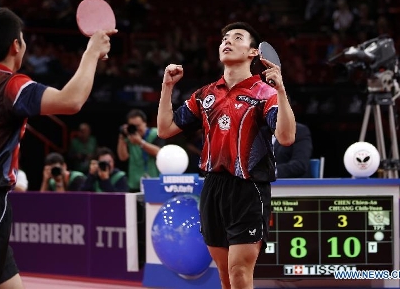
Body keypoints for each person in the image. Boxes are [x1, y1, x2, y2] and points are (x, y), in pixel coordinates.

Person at [0, 7, 116, 288]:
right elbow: (70, 101)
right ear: (15, 45)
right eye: (23, 39)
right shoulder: (9, 85)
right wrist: (91, 53)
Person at [156, 22, 296, 289]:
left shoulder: (265, 94)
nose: (227, 42)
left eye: (237, 37)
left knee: (239, 271)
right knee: (225, 275)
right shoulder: (206, 94)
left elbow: (287, 137)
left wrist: (281, 90)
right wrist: (167, 87)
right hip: (214, 188)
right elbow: (165, 129)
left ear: (253, 52)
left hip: (249, 188)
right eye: (224, 38)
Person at [117, 109, 165, 192]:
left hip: (154, 181)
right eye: (133, 126)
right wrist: (122, 137)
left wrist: (140, 142)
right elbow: (123, 157)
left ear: (145, 123)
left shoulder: (155, 134)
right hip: (135, 183)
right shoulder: (128, 137)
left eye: (138, 125)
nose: (136, 129)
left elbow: (159, 153)